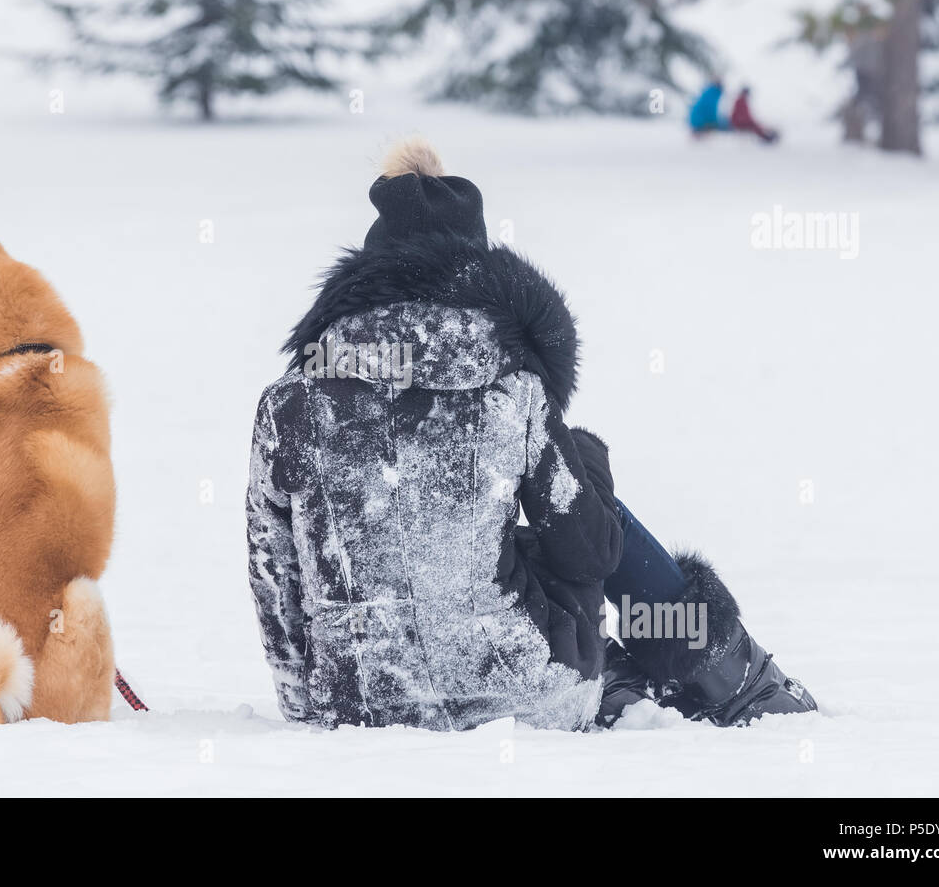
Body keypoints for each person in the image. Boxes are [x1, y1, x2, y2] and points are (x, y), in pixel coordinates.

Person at [245, 139, 816, 731]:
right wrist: (588, 462)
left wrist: (307, 705)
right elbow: (590, 552)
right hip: (520, 695)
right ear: (484, 280)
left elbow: (275, 578)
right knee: (592, 515)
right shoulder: (512, 391)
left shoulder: (288, 404)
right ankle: (731, 675)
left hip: (353, 702)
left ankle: (643, 675)